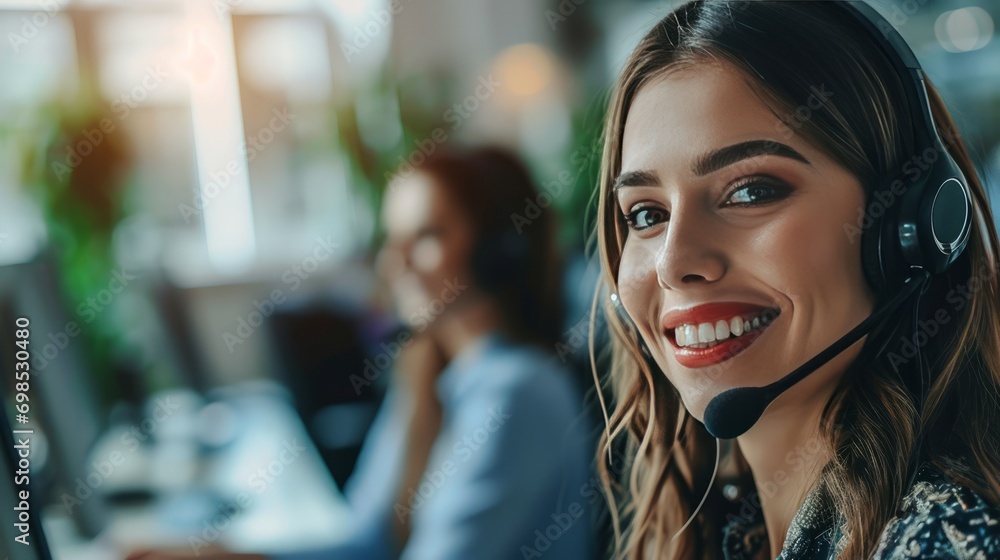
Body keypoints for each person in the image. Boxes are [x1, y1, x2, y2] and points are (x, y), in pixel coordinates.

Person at [592, 1, 1000, 559]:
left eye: (751, 191)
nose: (672, 262)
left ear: (910, 226)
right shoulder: (726, 527)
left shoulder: (943, 543)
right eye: (646, 214)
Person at [126, 148, 594, 560]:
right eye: (393, 239)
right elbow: (366, 545)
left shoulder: (520, 393)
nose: (395, 262)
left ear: (498, 250)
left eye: (426, 236)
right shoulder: (429, 375)